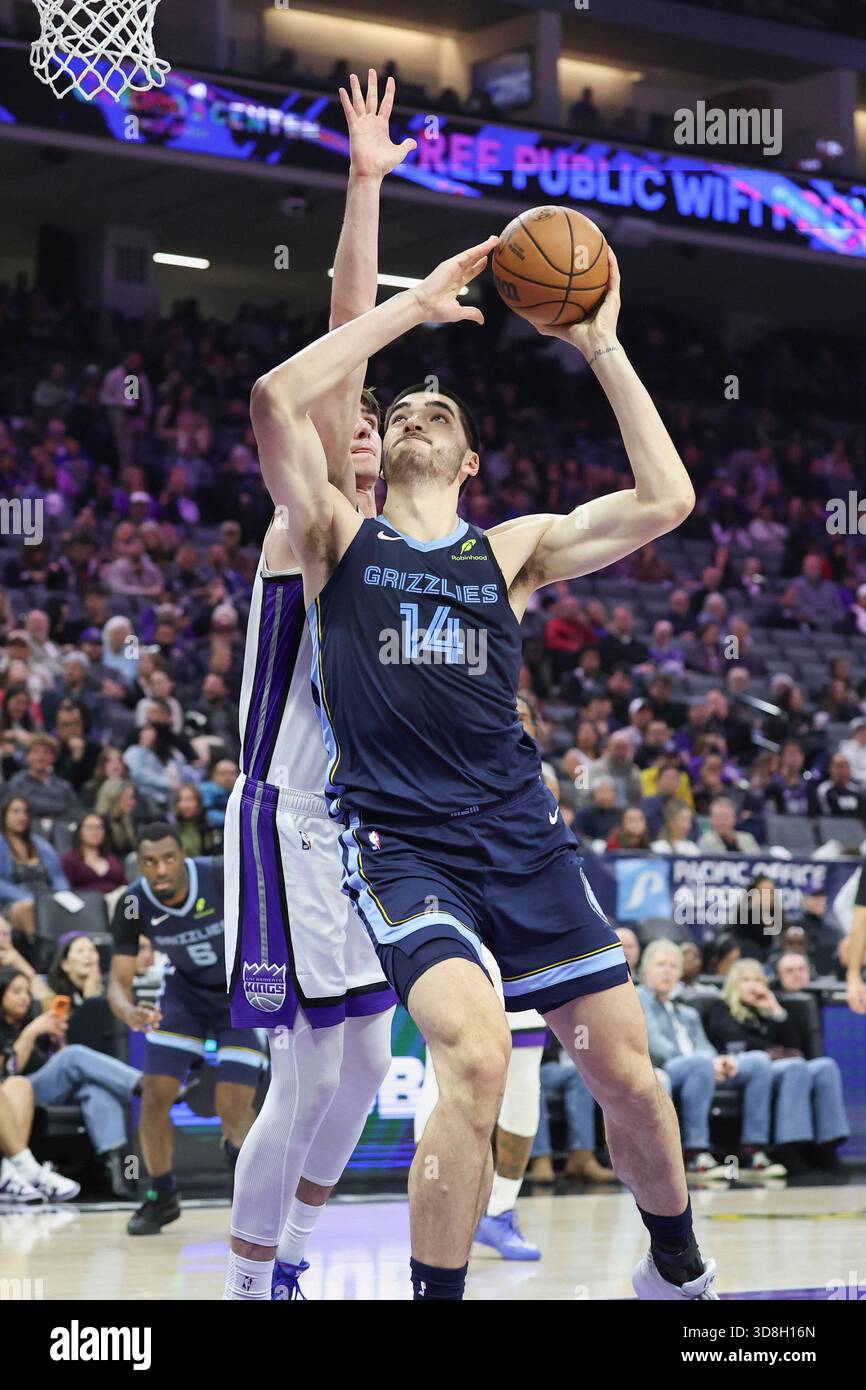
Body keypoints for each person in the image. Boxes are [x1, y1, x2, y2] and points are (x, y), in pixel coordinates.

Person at [254, 220, 719, 1301]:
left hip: (521, 833)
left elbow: (666, 501)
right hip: (403, 841)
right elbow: (278, 399)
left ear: (467, 462)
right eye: (400, 408)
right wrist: (411, 306)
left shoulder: (508, 548)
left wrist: (600, 342)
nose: (412, 415)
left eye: (437, 413)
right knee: (473, 1057)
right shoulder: (333, 533)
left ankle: (677, 1273)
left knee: (627, 1080)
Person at [223, 71, 412, 1301]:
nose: (356, 425)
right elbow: (331, 341)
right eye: (346, 418)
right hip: (280, 820)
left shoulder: (405, 559)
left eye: (374, 424)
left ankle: (290, 1258)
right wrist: (362, 184)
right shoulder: (312, 527)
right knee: (302, 1073)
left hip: (352, 834)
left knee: (358, 1068)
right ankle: (242, 1288)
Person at [108, 824, 266, 1234]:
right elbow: (118, 983)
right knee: (154, 1095)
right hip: (185, 995)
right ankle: (161, 1196)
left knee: (231, 1105)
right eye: (149, 862)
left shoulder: (218, 872)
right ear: (138, 865)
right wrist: (128, 1012)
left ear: (183, 855)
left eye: (168, 858)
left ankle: (252, 1195)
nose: (160, 869)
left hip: (239, 992)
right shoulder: (132, 903)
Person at [638, 941, 785, 1183]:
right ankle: (695, 1153)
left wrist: (720, 1061)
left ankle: (752, 1151)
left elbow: (705, 1046)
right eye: (661, 965)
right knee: (701, 1064)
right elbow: (657, 1046)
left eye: (673, 966)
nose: (667, 971)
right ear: (646, 970)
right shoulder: (639, 1000)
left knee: (759, 1062)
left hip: (702, 1068)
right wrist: (705, 1063)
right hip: (664, 1069)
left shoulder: (687, 1011)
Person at [0, 966, 140, 1197]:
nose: (24, 998)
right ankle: (140, 1084)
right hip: (13, 1094)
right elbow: (8, 1069)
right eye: (16, 992)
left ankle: (121, 1173)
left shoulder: (31, 1020)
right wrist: (31, 1033)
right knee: (72, 1057)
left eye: (27, 992)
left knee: (95, 1090)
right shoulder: (24, 1028)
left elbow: (51, 1064)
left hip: (42, 1091)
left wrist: (56, 1041)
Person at [705, 959, 849, 1174]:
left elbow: (795, 1047)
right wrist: (773, 1050)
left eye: (757, 980)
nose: (753, 985)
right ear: (734, 984)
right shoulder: (722, 1008)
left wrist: (775, 1011)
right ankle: (789, 1146)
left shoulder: (769, 1010)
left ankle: (827, 1144)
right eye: (746, 980)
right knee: (794, 1067)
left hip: (778, 1065)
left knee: (824, 1066)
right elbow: (738, 1041)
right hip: (744, 1068)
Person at [529, 1030, 616, 1185]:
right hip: (518, 1065)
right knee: (530, 1079)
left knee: (580, 1074)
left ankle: (582, 1157)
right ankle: (540, 1159)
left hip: (549, 1065)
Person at [0, 794, 70, 948]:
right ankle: (42, 951)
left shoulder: (41, 844)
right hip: (12, 903)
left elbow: (58, 876)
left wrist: (59, 895)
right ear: (4, 814)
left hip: (46, 899)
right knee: (27, 907)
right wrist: (29, 898)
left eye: (25, 812)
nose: (22, 816)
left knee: (70, 906)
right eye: (16, 811)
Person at [60, 812, 126, 896]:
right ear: (79, 831)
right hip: (86, 904)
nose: (96, 832)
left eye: (100, 827)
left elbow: (124, 884)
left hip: (116, 903)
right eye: (90, 828)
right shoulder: (69, 859)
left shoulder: (112, 859)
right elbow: (66, 890)